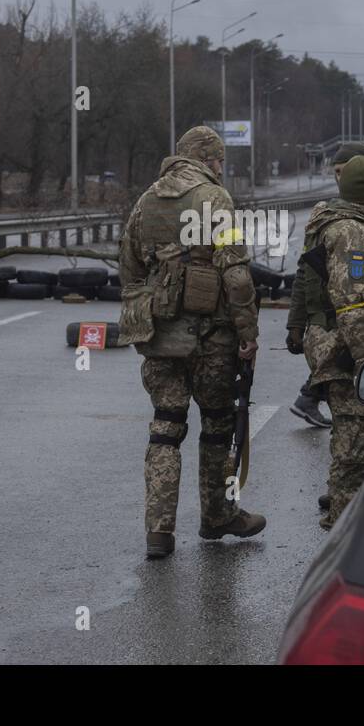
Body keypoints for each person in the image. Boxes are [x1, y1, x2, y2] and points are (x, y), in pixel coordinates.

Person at [118, 125, 265, 560]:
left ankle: (158, 532)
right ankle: (217, 516)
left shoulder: (146, 200)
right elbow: (236, 275)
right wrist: (248, 333)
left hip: (159, 332)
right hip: (210, 335)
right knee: (217, 423)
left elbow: (128, 268)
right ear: (209, 159)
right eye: (219, 159)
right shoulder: (214, 199)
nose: (221, 167)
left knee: (166, 426)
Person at [297, 155, 364, 529]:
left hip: (331, 342)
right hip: (347, 349)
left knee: (349, 437)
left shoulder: (331, 223)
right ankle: (345, 528)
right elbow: (355, 301)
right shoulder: (352, 234)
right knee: (357, 445)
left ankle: (341, 518)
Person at [287, 142, 364, 428]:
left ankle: (309, 398)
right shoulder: (324, 215)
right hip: (330, 325)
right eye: (336, 172)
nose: (340, 178)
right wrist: (296, 324)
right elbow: (305, 271)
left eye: (345, 171)